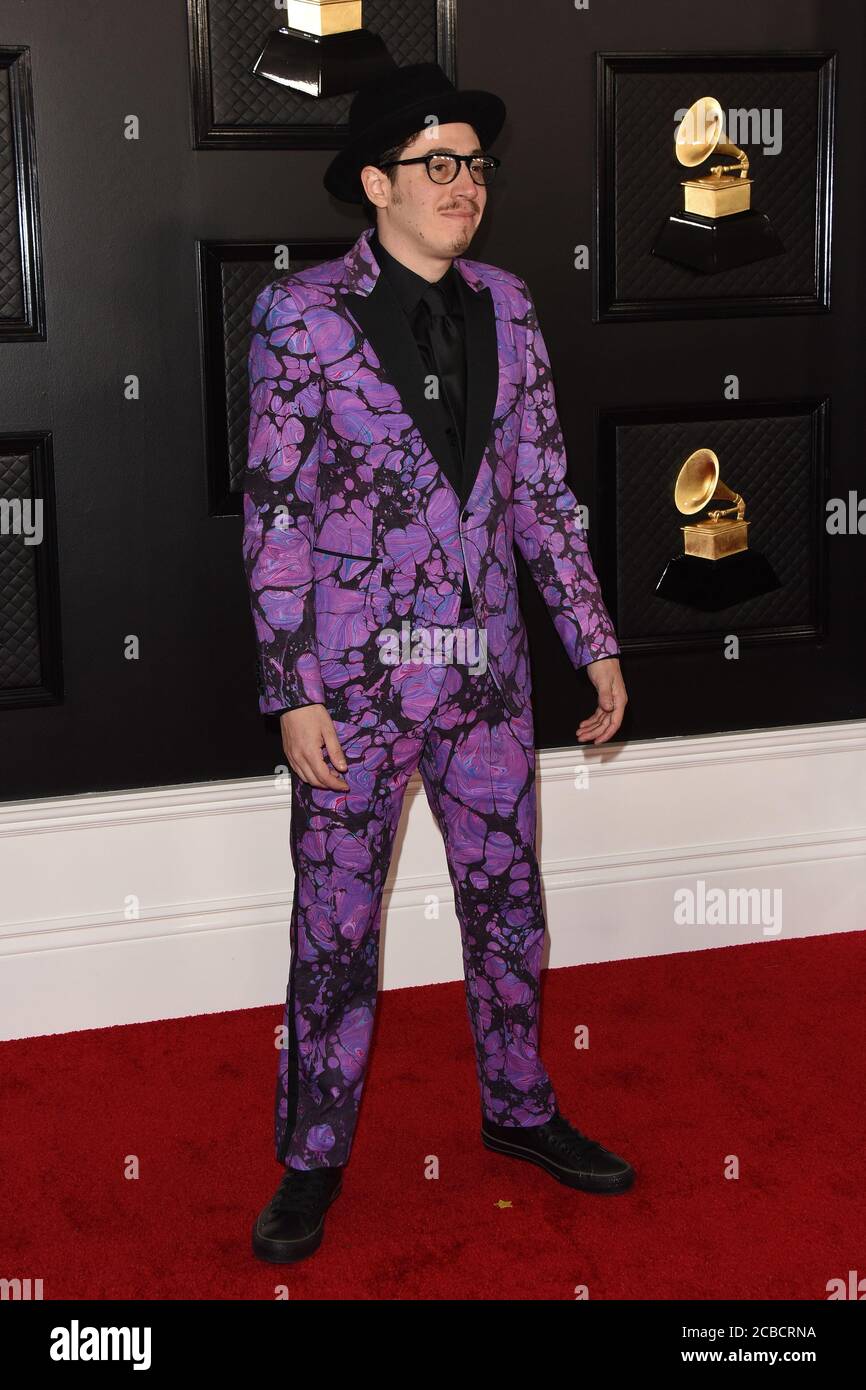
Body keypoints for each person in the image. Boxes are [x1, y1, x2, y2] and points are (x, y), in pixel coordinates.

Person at [242, 62, 632, 1265]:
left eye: (474, 166)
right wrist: (293, 685)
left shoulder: (511, 306)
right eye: (436, 166)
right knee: (336, 928)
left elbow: (540, 496)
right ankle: (312, 1158)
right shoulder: (298, 316)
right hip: (352, 688)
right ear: (376, 184)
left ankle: (519, 1111)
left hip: (486, 678)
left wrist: (592, 638)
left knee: (510, 911)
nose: (463, 186)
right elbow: (274, 512)